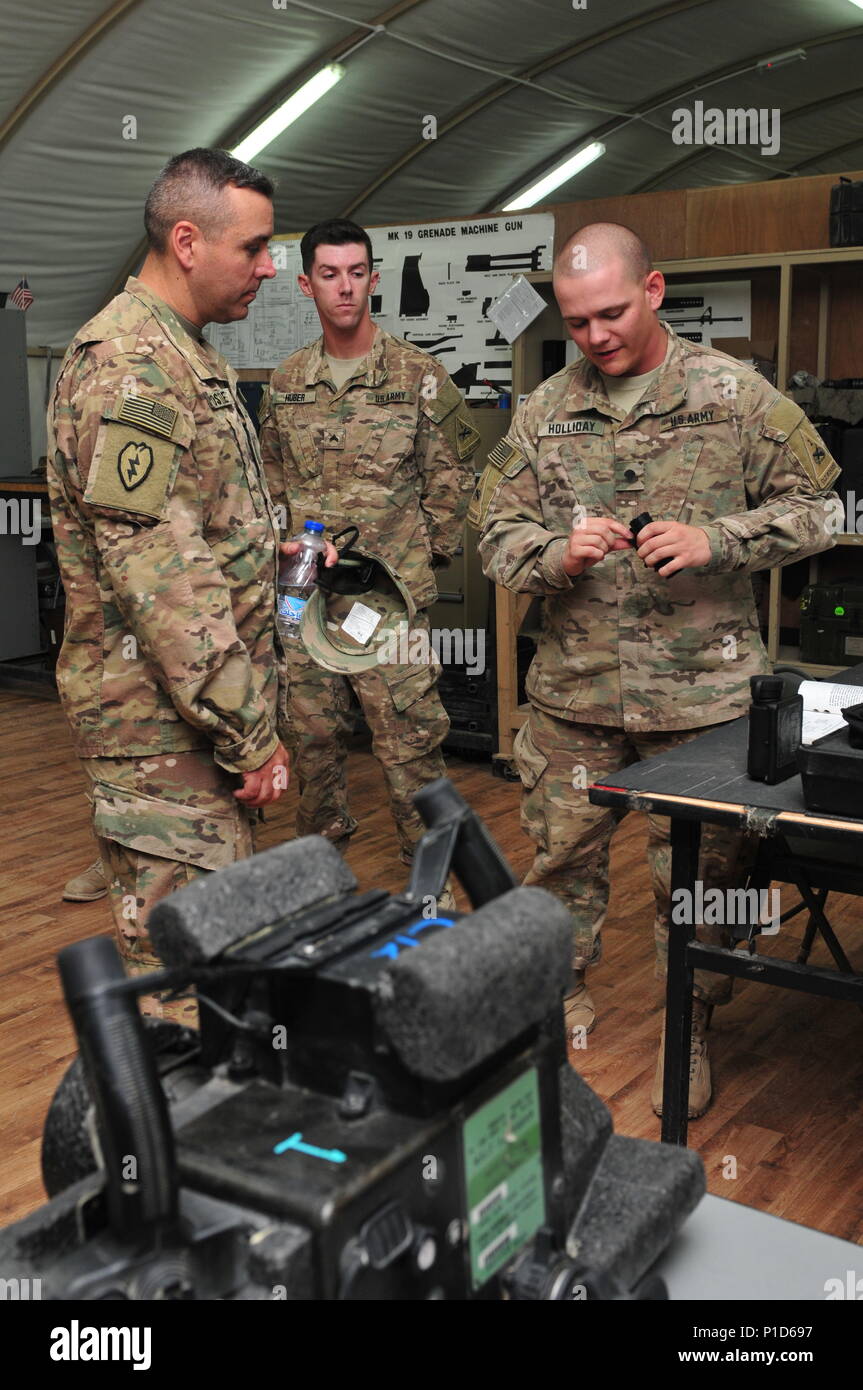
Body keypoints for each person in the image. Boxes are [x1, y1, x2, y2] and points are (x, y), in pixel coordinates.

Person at [473, 222, 839, 1116]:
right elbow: (493, 533)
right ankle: (555, 1001)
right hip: (573, 695)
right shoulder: (544, 408)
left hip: (702, 698)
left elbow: (821, 509)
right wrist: (556, 554)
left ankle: (692, 1018)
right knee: (560, 862)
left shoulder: (733, 396)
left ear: (652, 290)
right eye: (575, 321)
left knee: (700, 883)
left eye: (608, 314)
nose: (594, 337)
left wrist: (719, 539)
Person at [48, 148, 298, 1022]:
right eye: (255, 248)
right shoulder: (129, 364)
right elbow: (160, 578)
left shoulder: (185, 355)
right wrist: (250, 732)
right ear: (187, 240)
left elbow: (203, 528)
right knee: (186, 992)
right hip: (161, 736)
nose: (270, 269)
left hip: (191, 728)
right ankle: (159, 1158)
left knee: (220, 971)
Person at [259, 218, 479, 871]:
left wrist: (419, 559)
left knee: (408, 740)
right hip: (308, 597)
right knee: (312, 734)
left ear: (373, 279)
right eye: (329, 275)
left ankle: (428, 866)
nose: (345, 287)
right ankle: (321, 845)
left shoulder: (419, 375)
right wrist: (285, 546)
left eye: (356, 273)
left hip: (388, 601)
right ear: (306, 284)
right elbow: (270, 482)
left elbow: (457, 476)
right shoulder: (286, 381)